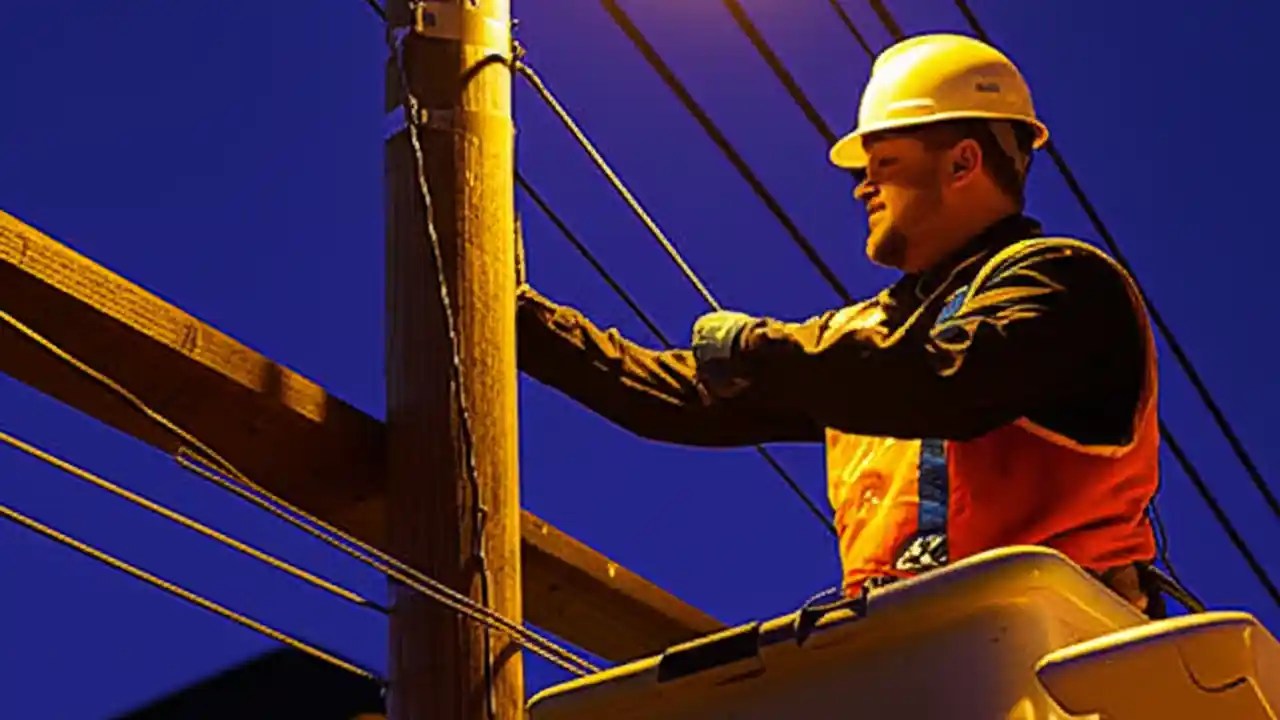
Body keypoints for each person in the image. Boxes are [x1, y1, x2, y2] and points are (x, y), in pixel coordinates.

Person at [516, 33, 1166, 616]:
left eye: (883, 164)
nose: (862, 189)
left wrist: (750, 347)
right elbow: (680, 398)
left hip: (1070, 655)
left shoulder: (1064, 285)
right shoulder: (868, 337)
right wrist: (518, 319)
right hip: (926, 655)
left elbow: (947, 380)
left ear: (963, 163)